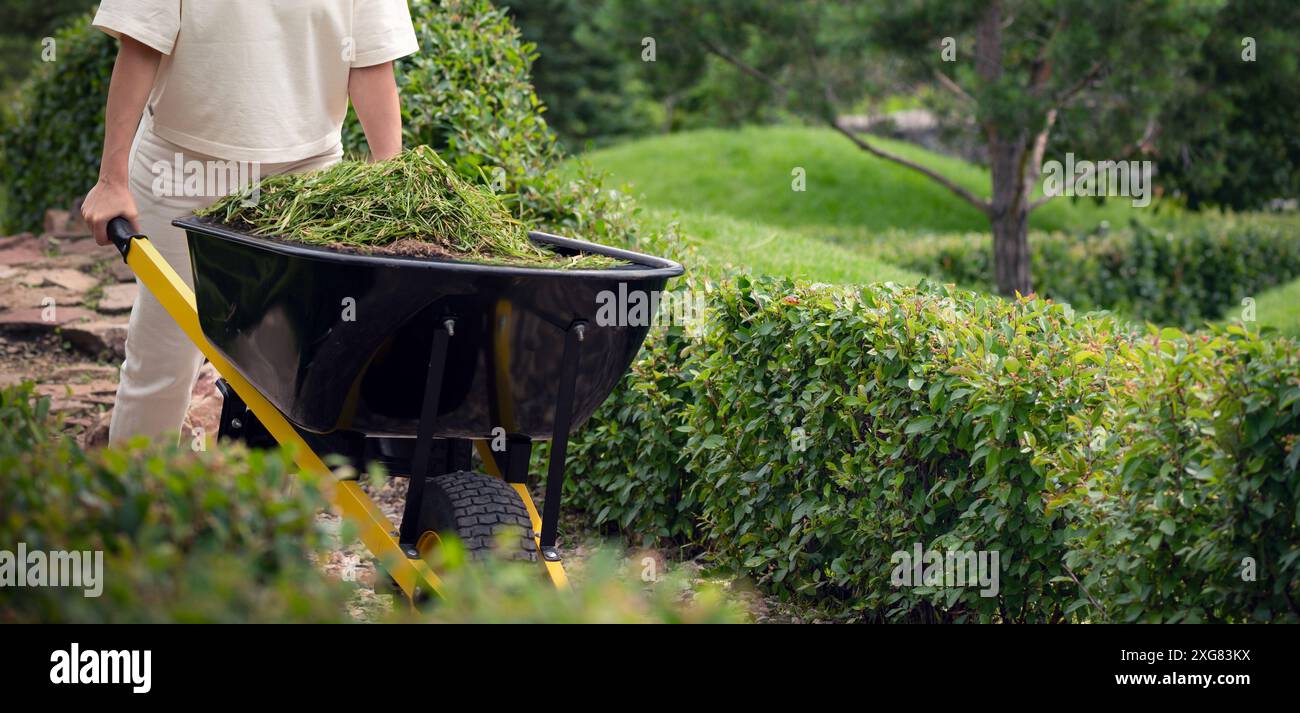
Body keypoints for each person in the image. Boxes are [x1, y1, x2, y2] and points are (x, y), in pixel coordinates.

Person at [80, 1, 419, 443]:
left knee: (293, 363)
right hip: (182, 171)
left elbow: (371, 60)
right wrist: (111, 179)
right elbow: (141, 43)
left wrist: (390, 182)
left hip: (303, 179)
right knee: (163, 358)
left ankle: (269, 507)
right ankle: (137, 501)